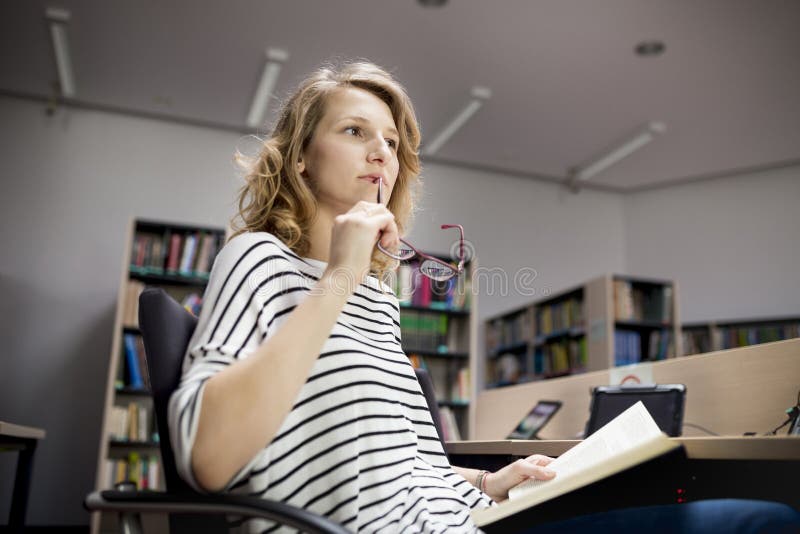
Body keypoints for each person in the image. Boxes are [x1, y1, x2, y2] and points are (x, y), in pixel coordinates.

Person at [168, 61, 800, 533]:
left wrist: (488, 481)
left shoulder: (376, 300)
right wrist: (336, 276)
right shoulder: (260, 259)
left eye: (391, 140)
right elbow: (210, 460)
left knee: (738, 513)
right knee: (754, 524)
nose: (381, 153)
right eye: (355, 130)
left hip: (465, 520)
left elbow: (408, 463)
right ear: (302, 159)